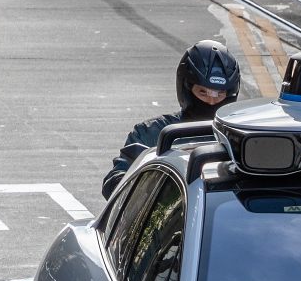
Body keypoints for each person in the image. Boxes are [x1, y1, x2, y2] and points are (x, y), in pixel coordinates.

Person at [102, 40, 241, 199]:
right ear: (187, 90)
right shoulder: (151, 134)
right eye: (203, 93)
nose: (211, 102)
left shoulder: (243, 138)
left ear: (230, 94)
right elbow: (114, 183)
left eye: (219, 94)